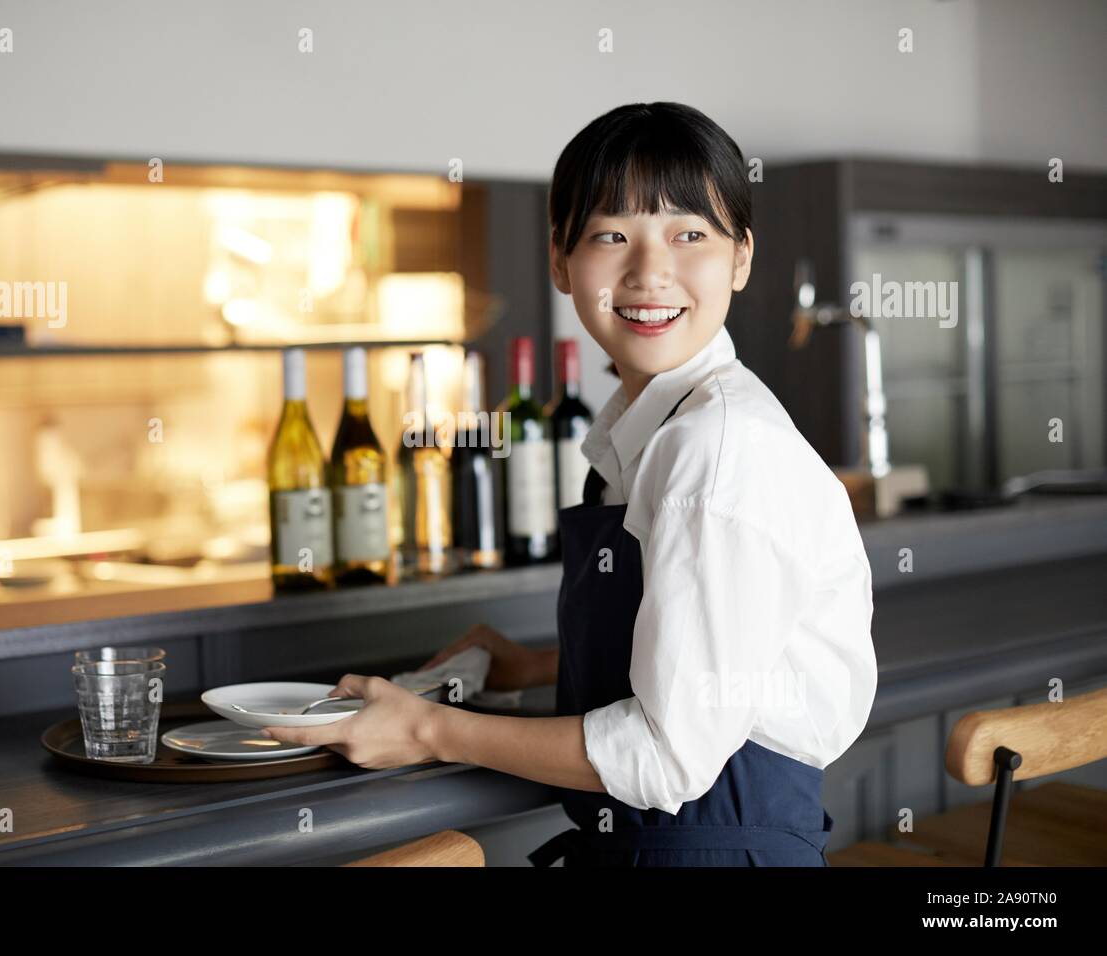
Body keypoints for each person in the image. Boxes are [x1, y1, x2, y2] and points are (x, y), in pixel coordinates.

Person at [262, 101, 877, 867]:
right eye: (611, 235)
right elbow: (708, 653)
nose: (650, 272)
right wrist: (541, 665)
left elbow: (666, 756)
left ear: (742, 257)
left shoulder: (713, 448)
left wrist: (426, 729)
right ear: (560, 259)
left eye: (690, 235)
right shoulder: (657, 425)